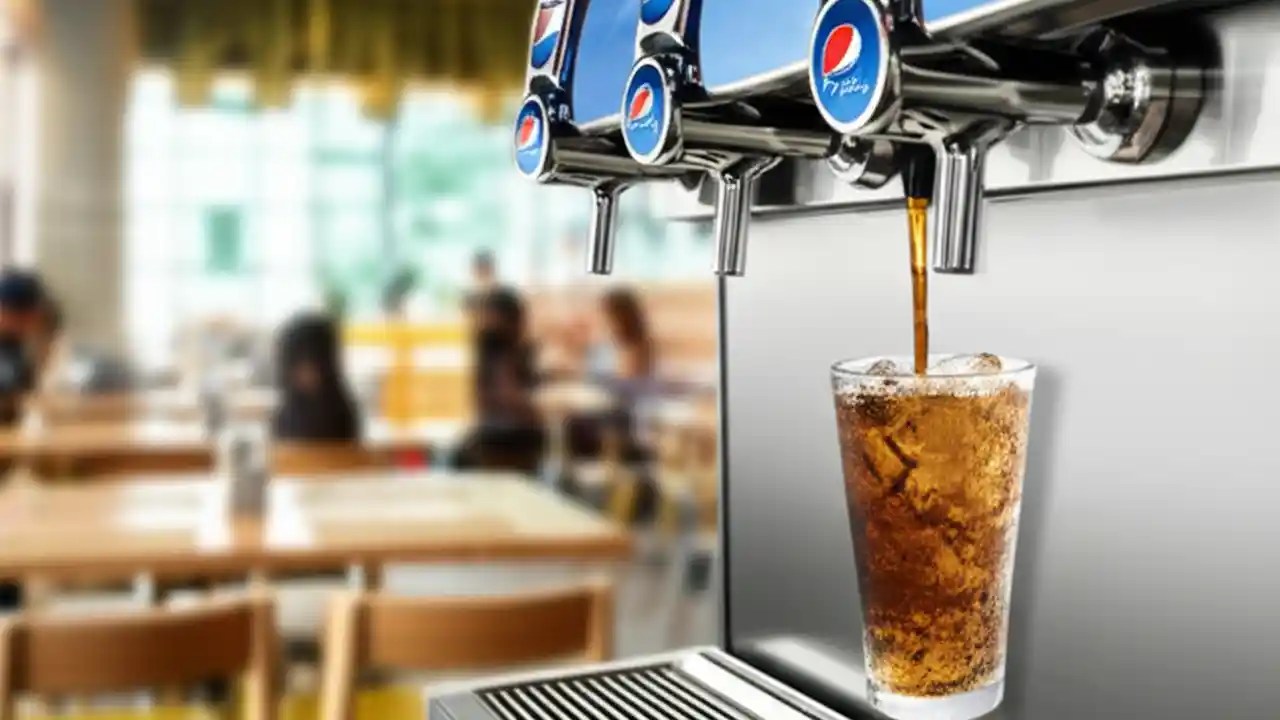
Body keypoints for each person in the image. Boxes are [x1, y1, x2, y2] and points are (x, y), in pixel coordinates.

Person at [456, 288, 544, 471]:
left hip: (516, 433)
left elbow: (512, 398)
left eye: (489, 315)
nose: (483, 320)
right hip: (502, 429)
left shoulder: (516, 350)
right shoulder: (490, 349)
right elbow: (487, 400)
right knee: (457, 455)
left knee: (460, 456)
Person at [271, 312, 361, 443]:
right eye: (297, 365)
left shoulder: (341, 412)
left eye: (313, 363)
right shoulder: (285, 413)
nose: (306, 373)